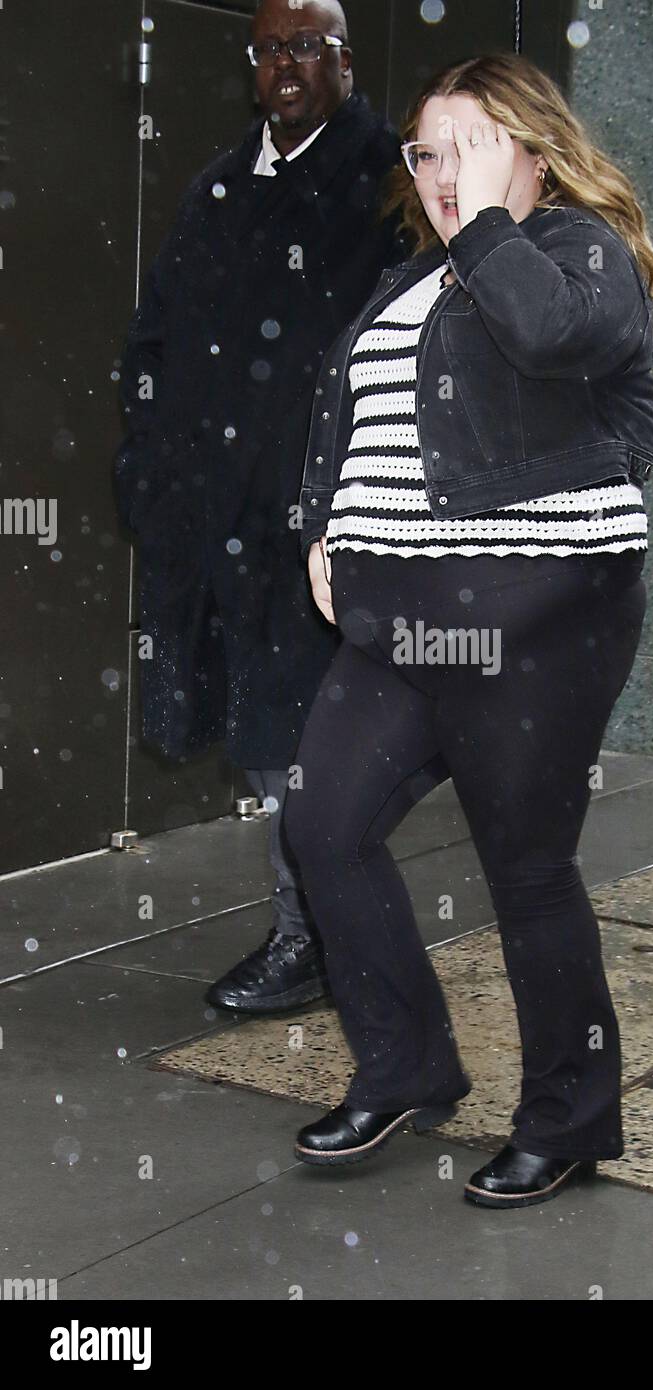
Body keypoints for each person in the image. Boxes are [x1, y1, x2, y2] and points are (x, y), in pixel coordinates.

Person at [284, 53, 653, 1208]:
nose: (440, 171)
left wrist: (485, 230)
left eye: (467, 143)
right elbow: (355, 417)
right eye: (425, 151)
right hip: (399, 614)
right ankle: (406, 1065)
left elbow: (548, 337)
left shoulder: (576, 255)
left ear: (535, 149)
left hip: (537, 611)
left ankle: (566, 1117)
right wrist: (324, 528)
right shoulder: (413, 279)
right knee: (323, 822)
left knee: (525, 868)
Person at [113, 0, 404, 1015]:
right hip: (214, 517)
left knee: (304, 747)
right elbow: (154, 340)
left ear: (344, 62)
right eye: (270, 47)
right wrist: (149, 471)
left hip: (311, 528)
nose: (287, 65)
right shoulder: (222, 185)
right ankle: (323, 927)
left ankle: (311, 936)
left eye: (307, 47)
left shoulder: (383, 188)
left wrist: (339, 498)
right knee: (268, 736)